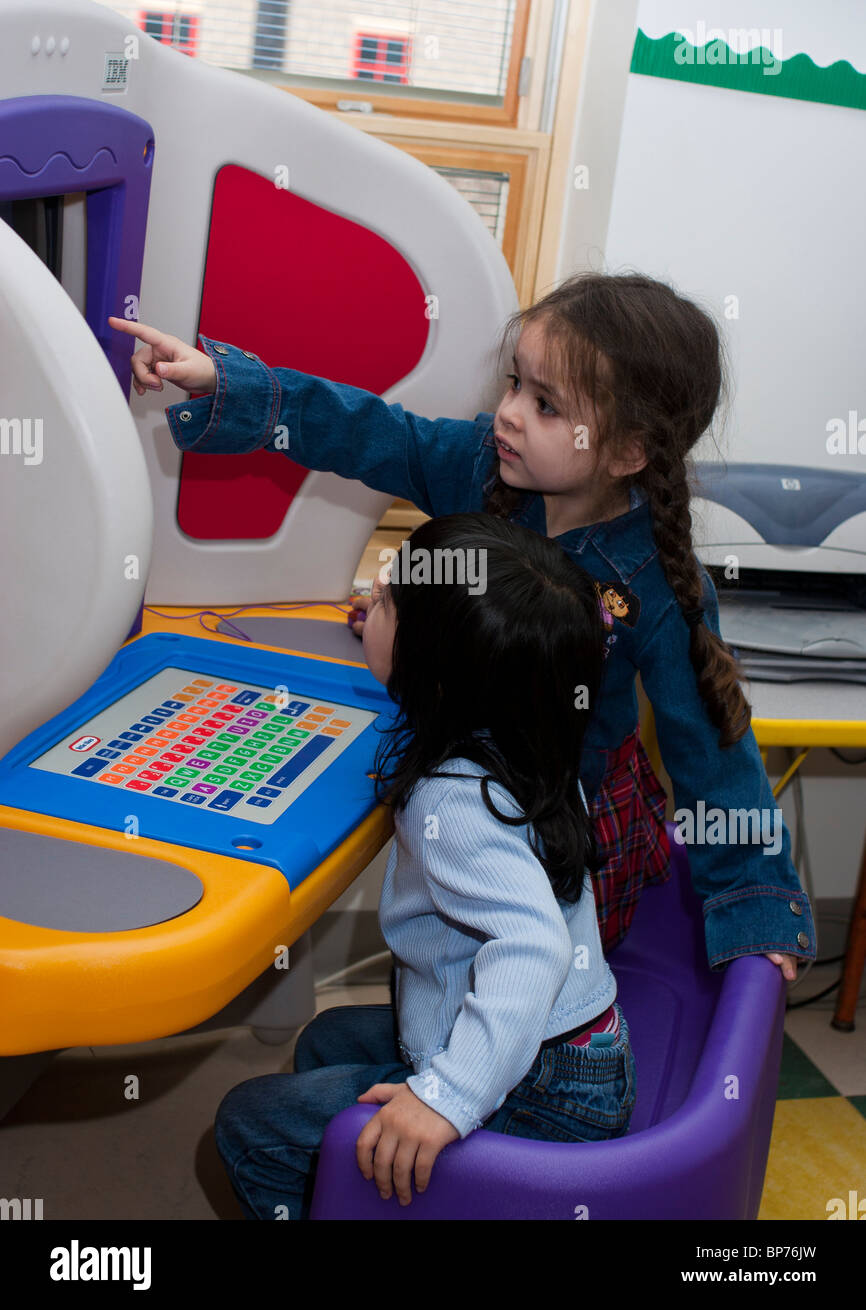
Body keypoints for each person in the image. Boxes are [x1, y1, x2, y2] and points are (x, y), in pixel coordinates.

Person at [107, 268, 815, 979]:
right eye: (515, 385)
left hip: (563, 841)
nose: (508, 413)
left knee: (515, 993)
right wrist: (235, 387)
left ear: (630, 451)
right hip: (462, 799)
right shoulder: (486, 465)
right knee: (444, 978)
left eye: (544, 405)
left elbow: (714, 749)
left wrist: (758, 906)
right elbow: (374, 434)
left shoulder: (652, 584)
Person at [214, 513, 635, 1217]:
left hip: (548, 1092)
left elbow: (534, 947)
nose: (372, 595)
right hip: (580, 1046)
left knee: (250, 1121)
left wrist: (446, 1099)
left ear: (433, 672)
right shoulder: (530, 731)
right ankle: (367, 1198)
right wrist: (396, 634)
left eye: (386, 603)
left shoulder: (456, 801)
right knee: (324, 1039)